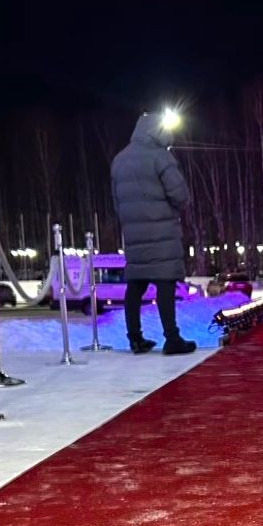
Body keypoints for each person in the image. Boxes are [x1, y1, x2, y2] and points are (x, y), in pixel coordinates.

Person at [109, 111, 195, 355]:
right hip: (162, 232)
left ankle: (135, 338)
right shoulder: (160, 157)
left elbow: (116, 203)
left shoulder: (119, 160)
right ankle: (172, 338)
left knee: (135, 285)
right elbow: (180, 195)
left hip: (134, 235)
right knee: (164, 282)